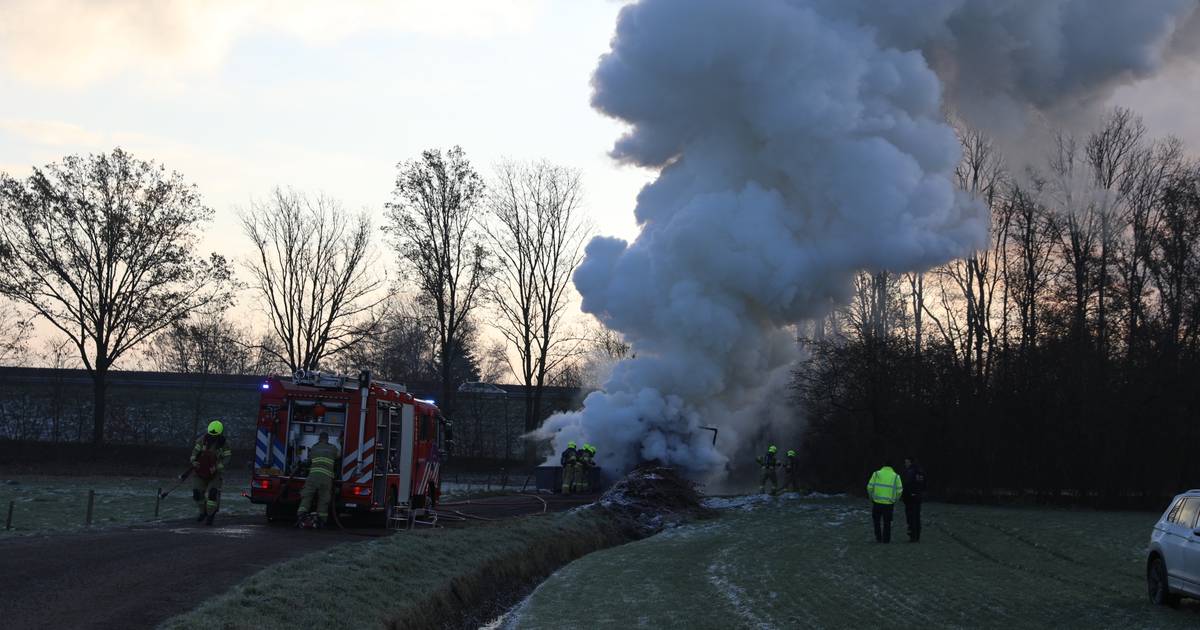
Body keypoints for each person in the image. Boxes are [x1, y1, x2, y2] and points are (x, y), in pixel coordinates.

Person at [190, 420, 232, 526]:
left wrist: (218, 466)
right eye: (210, 434)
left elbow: (227, 457)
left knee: (213, 494)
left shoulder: (224, 444)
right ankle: (202, 511)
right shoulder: (201, 440)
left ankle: (210, 515)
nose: (212, 437)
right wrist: (194, 461)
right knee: (197, 493)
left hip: (215, 473)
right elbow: (194, 453)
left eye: (215, 435)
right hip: (200, 471)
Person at [298, 432, 340, 528]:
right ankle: (321, 520)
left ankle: (301, 515)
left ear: (319, 439)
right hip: (326, 478)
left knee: (307, 495)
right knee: (324, 499)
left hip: (313, 476)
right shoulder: (333, 448)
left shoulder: (314, 447)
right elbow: (338, 456)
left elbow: (309, 460)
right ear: (327, 439)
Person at [866, 461, 904, 543]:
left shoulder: (876, 474)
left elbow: (869, 487)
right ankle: (886, 540)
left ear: (883, 465)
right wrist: (895, 500)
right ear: (892, 467)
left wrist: (871, 497)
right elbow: (900, 491)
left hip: (877, 502)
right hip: (889, 504)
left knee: (876, 521)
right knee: (887, 522)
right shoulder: (896, 476)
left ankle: (878, 538)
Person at [902, 456, 927, 542]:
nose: (905, 464)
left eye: (906, 462)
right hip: (918, 497)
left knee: (911, 517)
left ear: (911, 462)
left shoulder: (910, 472)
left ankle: (913, 536)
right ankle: (917, 536)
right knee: (917, 517)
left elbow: (907, 485)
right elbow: (924, 485)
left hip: (910, 498)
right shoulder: (921, 471)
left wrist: (905, 496)